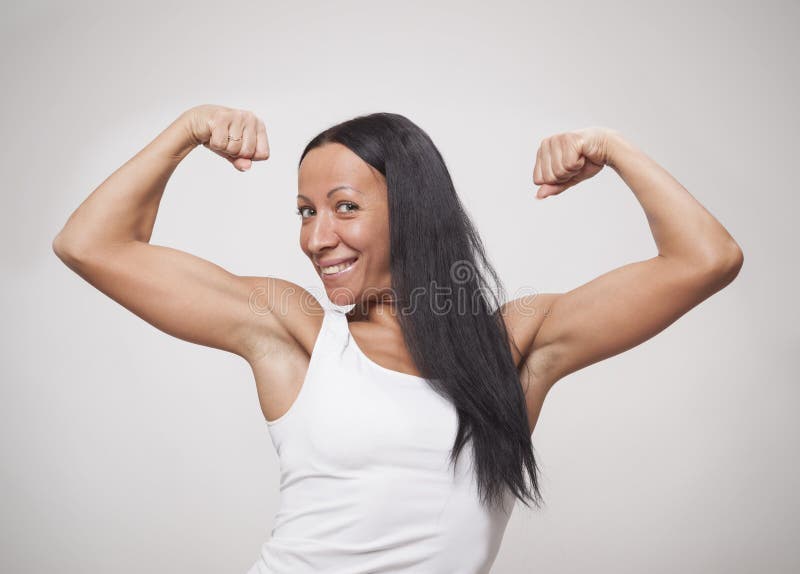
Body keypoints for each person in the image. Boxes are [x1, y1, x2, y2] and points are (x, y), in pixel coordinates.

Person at [52, 104, 744, 573]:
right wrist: (185, 130)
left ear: (411, 210)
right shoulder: (295, 331)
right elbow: (91, 244)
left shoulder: (514, 346)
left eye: (344, 208)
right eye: (305, 212)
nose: (317, 238)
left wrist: (612, 148)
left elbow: (705, 260)